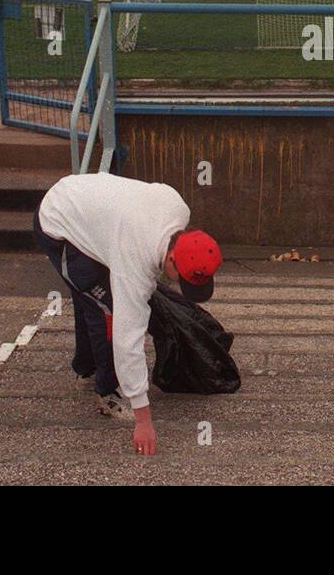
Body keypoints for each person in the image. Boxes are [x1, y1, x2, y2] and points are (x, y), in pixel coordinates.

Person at [33, 172, 222, 455]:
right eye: (179, 277)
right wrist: (143, 418)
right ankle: (108, 392)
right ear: (171, 257)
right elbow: (127, 339)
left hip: (90, 207)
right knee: (107, 310)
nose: (178, 285)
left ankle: (85, 365)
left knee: (91, 297)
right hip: (59, 222)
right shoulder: (136, 260)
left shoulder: (178, 208)